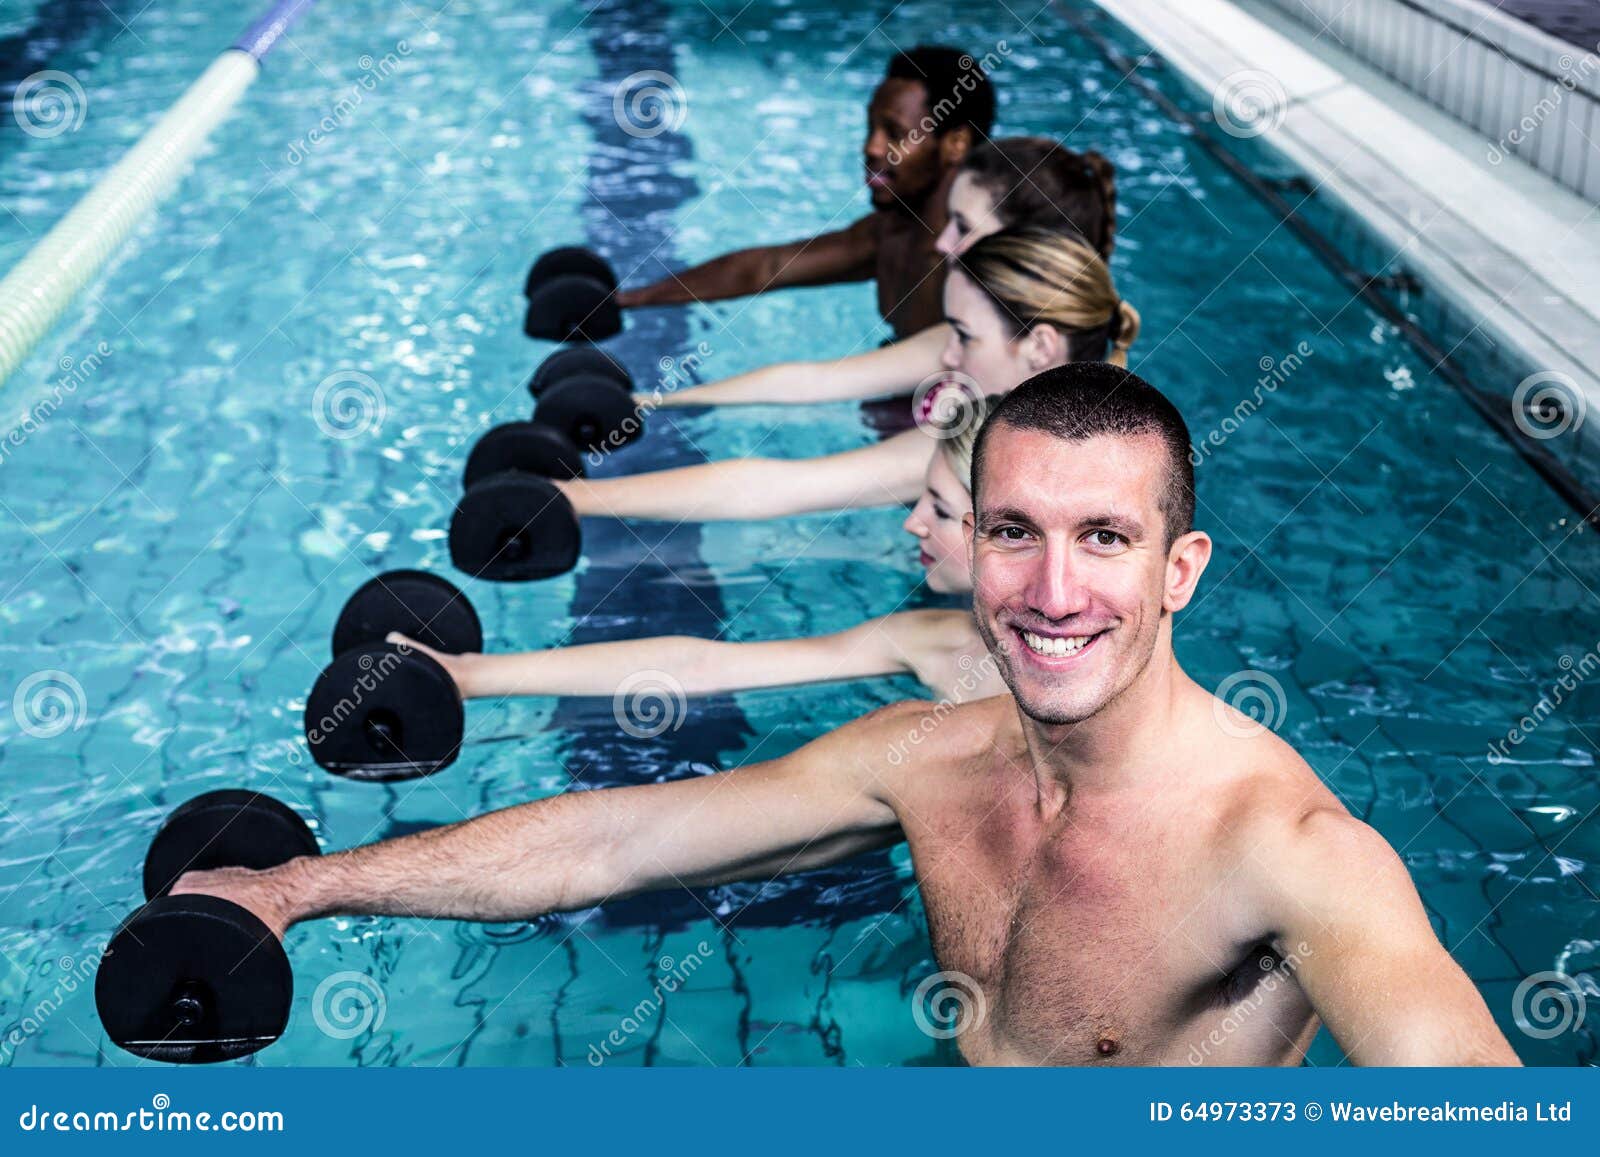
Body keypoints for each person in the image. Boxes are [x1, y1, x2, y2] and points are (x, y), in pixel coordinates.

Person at [176, 364, 1519, 1066]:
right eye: (1014, 532)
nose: (1053, 591)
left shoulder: (1292, 852)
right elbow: (620, 841)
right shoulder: (928, 761)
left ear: (1183, 571)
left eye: (1105, 538)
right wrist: (297, 887)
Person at [400, 403, 998, 706]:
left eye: (940, 511)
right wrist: (470, 675)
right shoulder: (938, 639)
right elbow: (707, 666)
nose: (911, 522)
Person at [559, 225, 1138, 525]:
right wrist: (648, 400)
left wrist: (567, 501)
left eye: (965, 337)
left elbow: (778, 487)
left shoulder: (1017, 451)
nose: (950, 359)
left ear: (1039, 347)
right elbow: (809, 382)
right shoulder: (1039, 403)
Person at [637, 137, 1117, 412]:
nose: (942, 242)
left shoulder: (1057, 405)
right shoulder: (968, 339)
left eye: (965, 227)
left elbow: (799, 482)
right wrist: (650, 400)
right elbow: (812, 381)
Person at [615, 46, 996, 340]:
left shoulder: (986, 260)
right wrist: (631, 299)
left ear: (956, 144)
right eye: (870, 129)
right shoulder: (889, 233)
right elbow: (767, 268)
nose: (872, 148)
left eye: (895, 134)